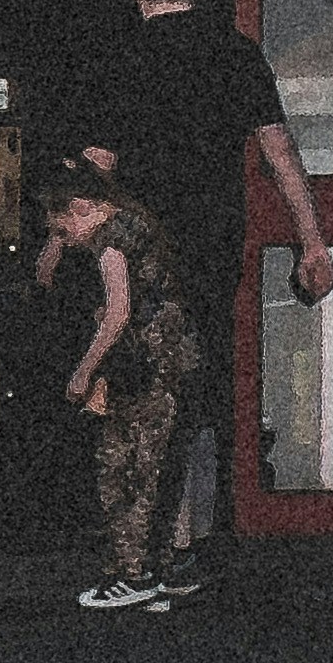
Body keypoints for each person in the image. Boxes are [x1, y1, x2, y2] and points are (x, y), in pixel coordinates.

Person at [61, 0, 324, 579]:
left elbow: (96, 164)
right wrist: (311, 239)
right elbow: (280, 155)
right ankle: (187, 535)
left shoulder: (122, 59)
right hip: (212, 245)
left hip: (137, 250)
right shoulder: (237, 54)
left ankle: (143, 550)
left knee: (137, 390)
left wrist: (59, 244)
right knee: (193, 382)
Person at [35, 171, 202, 614]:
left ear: (81, 208)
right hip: (170, 362)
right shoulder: (139, 223)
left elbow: (117, 314)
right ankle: (160, 572)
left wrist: (83, 371)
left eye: (63, 228)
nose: (66, 239)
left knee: (123, 469)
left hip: (144, 368)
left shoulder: (112, 243)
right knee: (157, 468)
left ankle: (132, 576)